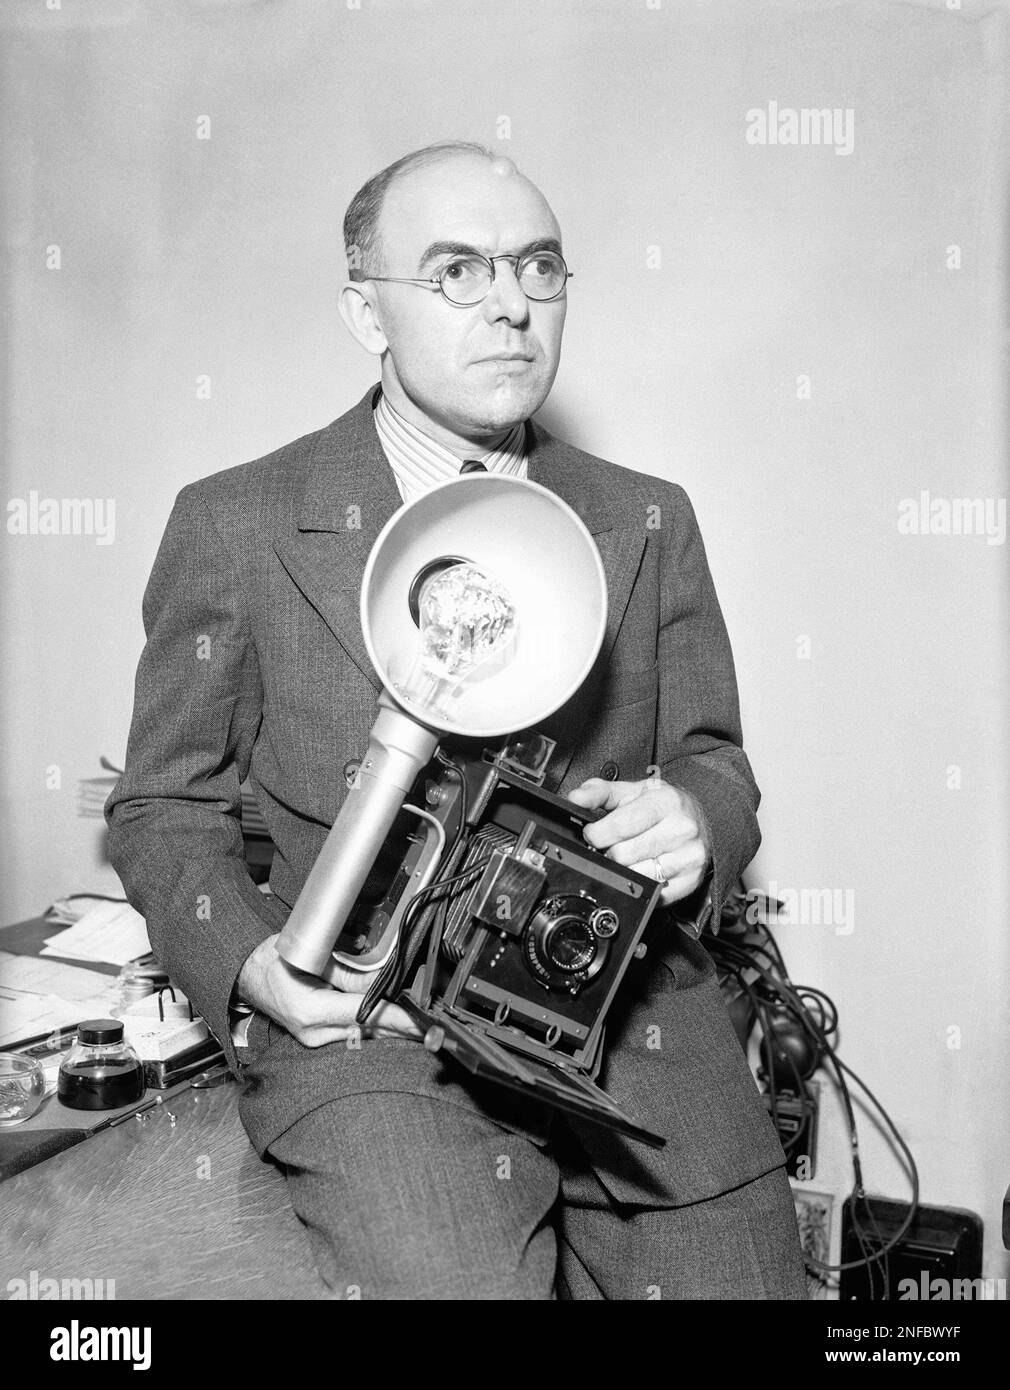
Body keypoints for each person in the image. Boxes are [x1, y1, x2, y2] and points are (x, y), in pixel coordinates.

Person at [106, 141, 807, 1300]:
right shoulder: (234, 524)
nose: (509, 306)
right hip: (376, 1036)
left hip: (622, 1016)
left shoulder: (645, 518)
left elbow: (711, 757)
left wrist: (698, 816)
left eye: (537, 268)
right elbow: (162, 806)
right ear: (363, 312)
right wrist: (251, 970)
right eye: (456, 272)